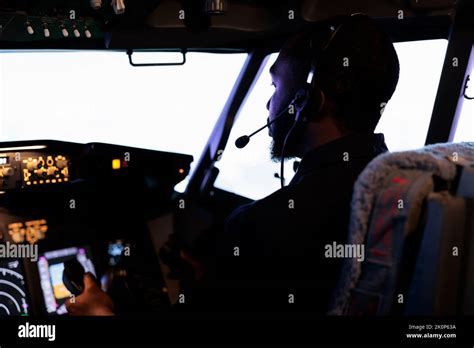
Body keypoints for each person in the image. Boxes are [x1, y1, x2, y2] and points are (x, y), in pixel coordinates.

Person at [66, 13, 399, 315]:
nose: (270, 103)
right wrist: (213, 279)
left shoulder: (265, 225)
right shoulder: (398, 187)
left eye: (276, 86)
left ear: (307, 101)